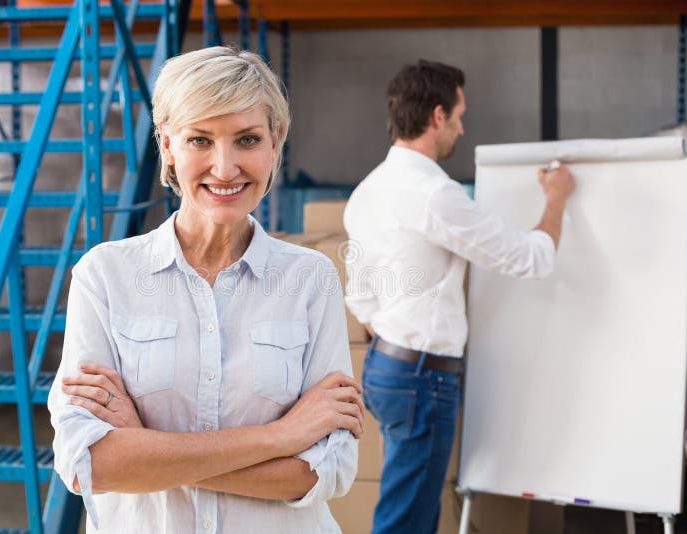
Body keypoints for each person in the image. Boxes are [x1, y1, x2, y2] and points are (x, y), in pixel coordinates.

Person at [48, 46, 364, 534]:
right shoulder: (105, 276)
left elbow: (325, 471)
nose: (224, 167)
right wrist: (282, 435)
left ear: (275, 144)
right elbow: (91, 465)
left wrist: (148, 448)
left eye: (247, 139)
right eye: (200, 140)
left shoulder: (311, 279)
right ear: (168, 147)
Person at [343, 59, 575, 534]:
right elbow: (532, 258)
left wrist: (400, 333)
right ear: (436, 116)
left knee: (412, 512)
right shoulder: (434, 194)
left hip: (386, 366)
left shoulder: (367, 191)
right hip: (421, 377)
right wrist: (556, 200)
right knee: (407, 521)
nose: (462, 128)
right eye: (459, 115)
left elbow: (361, 298)